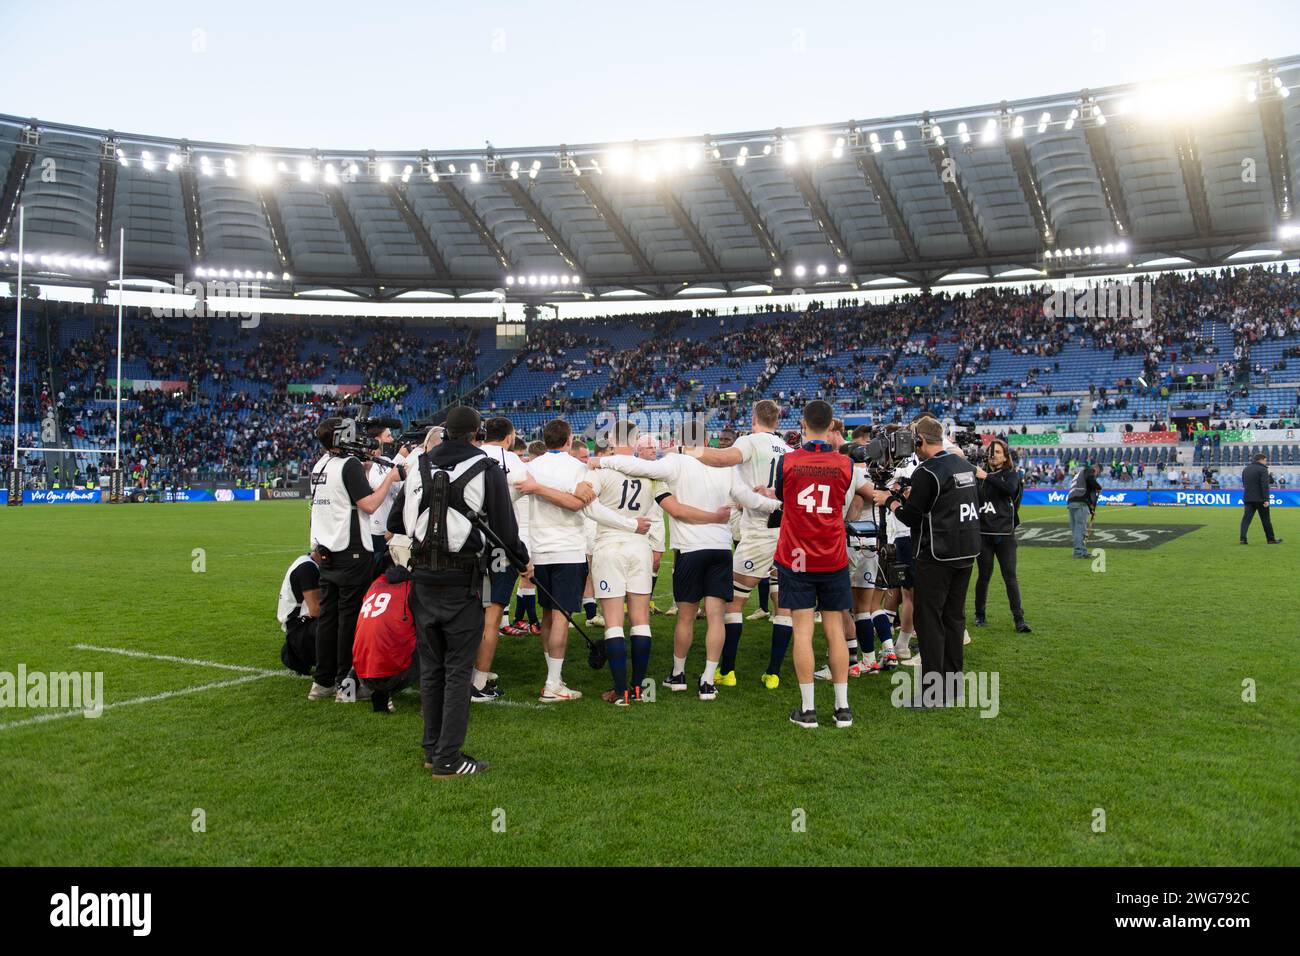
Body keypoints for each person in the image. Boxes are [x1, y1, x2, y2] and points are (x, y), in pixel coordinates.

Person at [595, 417, 777, 701]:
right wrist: (779, 505)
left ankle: (678, 674)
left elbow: (642, 467)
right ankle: (707, 680)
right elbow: (750, 500)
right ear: (708, 442)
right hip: (719, 548)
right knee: (717, 616)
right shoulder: (725, 468)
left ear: (681, 440)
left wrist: (604, 462)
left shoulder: (677, 462)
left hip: (690, 550)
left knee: (686, 616)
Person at [392, 405, 529, 778]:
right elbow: (505, 527)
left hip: (421, 579)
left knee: (432, 667)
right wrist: (523, 561)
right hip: (461, 579)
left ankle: (432, 748)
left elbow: (394, 521)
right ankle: (448, 758)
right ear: (476, 434)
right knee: (457, 670)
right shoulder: (486, 468)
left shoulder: (419, 466)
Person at [517, 418, 647, 702]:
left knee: (549, 615)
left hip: (539, 550)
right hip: (568, 549)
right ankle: (553, 683)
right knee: (562, 617)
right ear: (569, 440)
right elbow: (592, 510)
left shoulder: (530, 468)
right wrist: (631, 525)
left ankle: (553, 675)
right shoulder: (578, 469)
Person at [680, 400, 793, 689]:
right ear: (777, 421)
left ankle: (727, 671)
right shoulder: (789, 449)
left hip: (758, 532)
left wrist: (686, 450)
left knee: (733, 602)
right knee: (783, 604)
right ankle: (773, 673)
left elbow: (722, 459)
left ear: (754, 418)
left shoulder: (750, 441)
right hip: (787, 533)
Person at [873, 415, 981, 708]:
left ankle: (933, 692)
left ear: (920, 440)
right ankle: (953, 685)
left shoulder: (927, 471)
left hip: (936, 554)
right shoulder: (964, 465)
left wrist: (890, 500)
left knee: (929, 620)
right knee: (954, 618)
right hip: (966, 552)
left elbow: (909, 516)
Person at [771, 400, 865, 729]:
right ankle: (842, 708)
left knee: (802, 632)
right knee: (835, 631)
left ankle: (808, 709)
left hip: (797, 556)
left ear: (803, 422)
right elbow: (843, 499)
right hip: (832, 554)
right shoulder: (845, 464)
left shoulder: (788, 460)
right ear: (831, 426)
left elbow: (783, 497)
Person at [308, 416, 404, 702]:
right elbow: (371, 505)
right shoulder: (348, 465)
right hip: (351, 550)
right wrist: (390, 478)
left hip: (327, 551)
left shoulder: (320, 464)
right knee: (349, 619)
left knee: (328, 618)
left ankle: (322, 682)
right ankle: (345, 684)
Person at [972, 438, 1031, 632]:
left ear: (1005, 456)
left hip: (1005, 535)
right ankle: (979, 615)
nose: (993, 455)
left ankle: (1019, 619)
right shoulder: (980, 476)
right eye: (991, 452)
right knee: (984, 577)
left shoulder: (1010, 474)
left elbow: (1009, 489)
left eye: (997, 452)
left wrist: (985, 477)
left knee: (1010, 577)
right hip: (984, 534)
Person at [351, 565, 419, 714]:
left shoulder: (374, 587)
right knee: (431, 641)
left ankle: (349, 689)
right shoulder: (409, 590)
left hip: (361, 671)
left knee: (370, 638)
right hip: (395, 672)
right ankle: (431, 703)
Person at [277, 549, 323, 676]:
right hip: (300, 629)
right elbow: (315, 610)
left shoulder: (306, 562)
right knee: (337, 623)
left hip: (296, 626)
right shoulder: (308, 568)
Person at [1240, 452, 1282, 545]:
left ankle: (1242, 539)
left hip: (1248, 498)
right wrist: (1266, 499)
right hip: (1260, 499)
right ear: (1261, 460)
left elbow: (1244, 483)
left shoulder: (1246, 469)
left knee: (1246, 519)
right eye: (1265, 460)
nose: (1266, 462)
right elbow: (1264, 486)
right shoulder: (1263, 469)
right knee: (1266, 520)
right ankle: (1271, 539)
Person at [1066, 461, 1102, 558]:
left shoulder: (1079, 474)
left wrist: (1091, 509)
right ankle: (1079, 552)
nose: (1096, 475)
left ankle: (1079, 550)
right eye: (1098, 473)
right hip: (1080, 502)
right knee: (1080, 528)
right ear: (1097, 468)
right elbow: (1091, 480)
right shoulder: (1089, 470)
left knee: (1076, 529)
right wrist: (1098, 487)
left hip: (1071, 502)